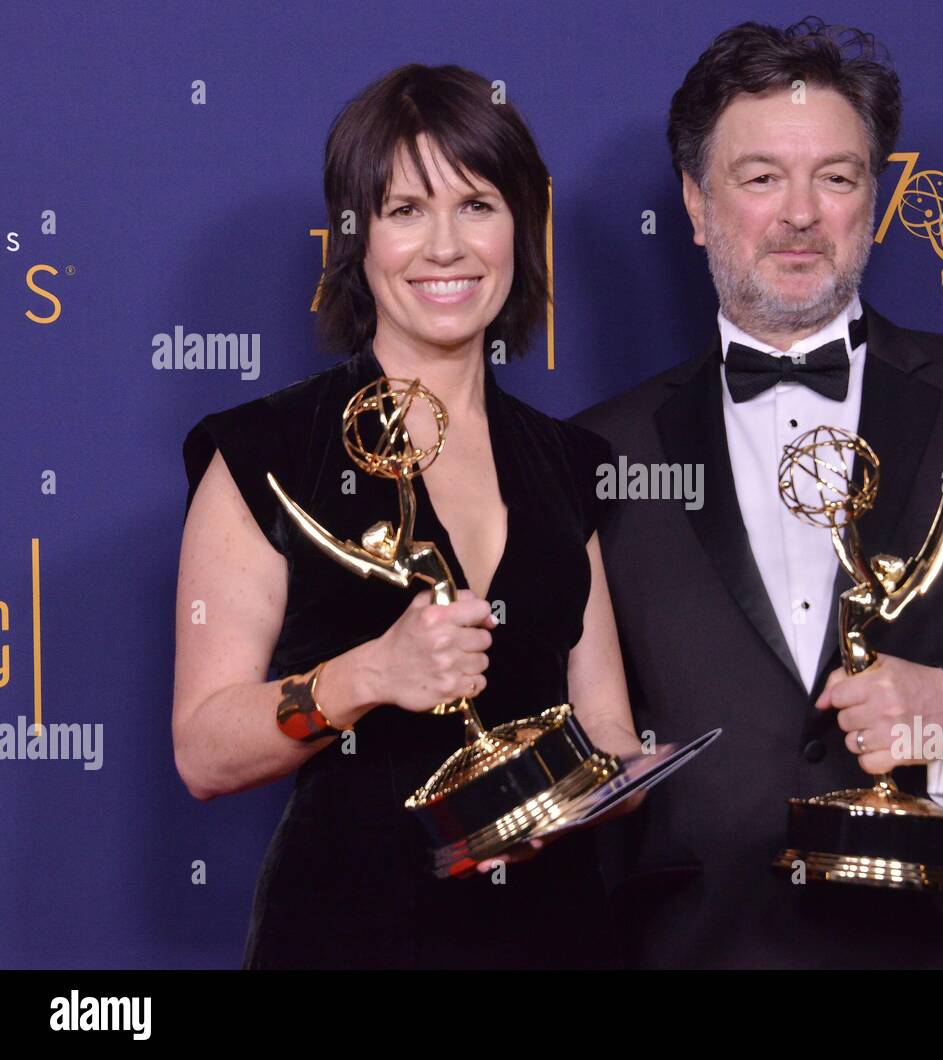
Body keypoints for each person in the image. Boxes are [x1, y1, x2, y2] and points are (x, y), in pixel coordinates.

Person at [574, 18, 943, 968]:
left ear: (876, 197)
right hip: (707, 948)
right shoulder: (599, 449)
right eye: (760, 177)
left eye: (837, 177)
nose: (801, 213)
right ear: (695, 204)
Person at [173, 64, 641, 970]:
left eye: (477, 205)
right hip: (352, 929)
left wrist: (573, 798)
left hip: (556, 932)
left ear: (521, 228)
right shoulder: (268, 450)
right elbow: (203, 751)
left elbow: (610, 731)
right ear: (356, 240)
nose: (445, 248)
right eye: (404, 211)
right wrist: (369, 674)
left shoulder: (567, 462)